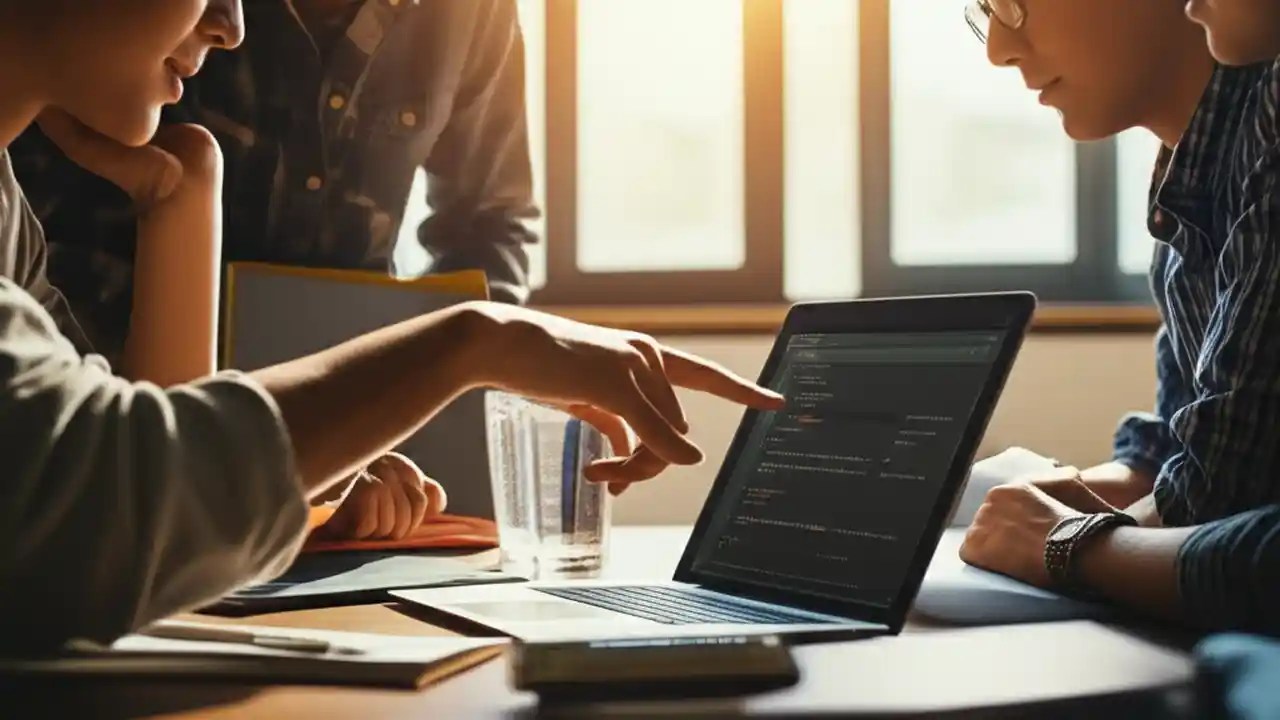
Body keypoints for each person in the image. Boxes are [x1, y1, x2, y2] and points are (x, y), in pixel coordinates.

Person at [0, 0, 784, 653]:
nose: (231, 25)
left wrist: (182, 198)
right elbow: (103, 513)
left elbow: (150, 531)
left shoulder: (10, 217)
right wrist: (472, 343)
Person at [16, 1, 545, 543]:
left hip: (241, 464)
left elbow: (156, 493)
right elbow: (129, 492)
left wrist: (372, 423)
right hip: (149, 425)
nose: (229, 27)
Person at [958, 0, 1280, 635]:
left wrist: (1061, 539)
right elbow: (1182, 447)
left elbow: (1219, 496)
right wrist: (1053, 497)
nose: (997, 48)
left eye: (1013, 6)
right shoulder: (1189, 176)